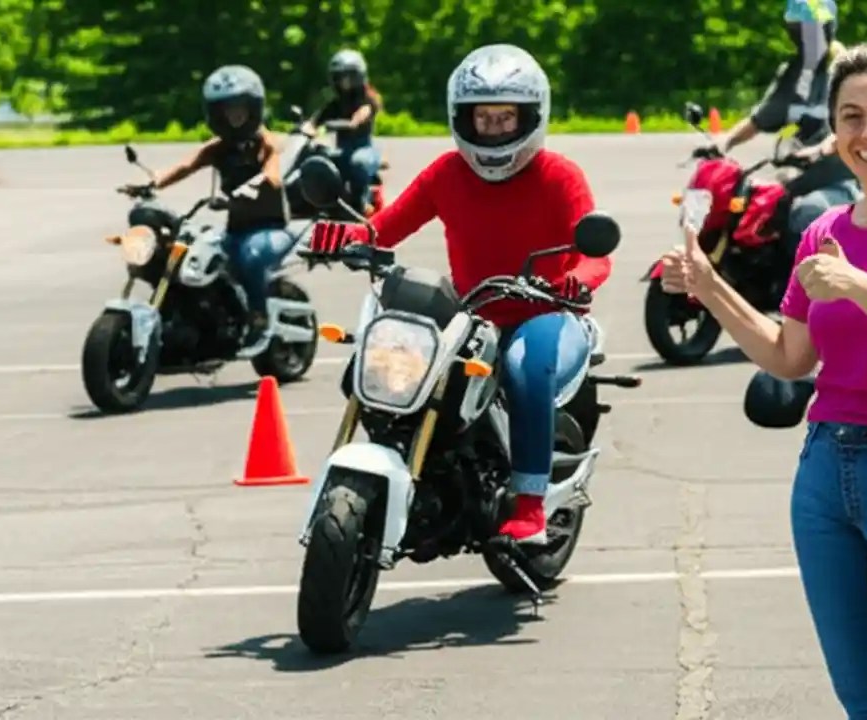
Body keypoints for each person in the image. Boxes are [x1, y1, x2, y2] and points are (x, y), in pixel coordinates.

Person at [662, 43, 867, 718]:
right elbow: (789, 357)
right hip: (825, 478)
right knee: (865, 701)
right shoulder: (824, 231)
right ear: (834, 130)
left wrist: (855, 282)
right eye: (851, 117)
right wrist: (710, 286)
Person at [307, 43, 610, 546]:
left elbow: (596, 255)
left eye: (505, 117)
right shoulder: (448, 173)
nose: (493, 128)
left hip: (547, 312)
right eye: (482, 117)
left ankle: (530, 503)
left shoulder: (560, 176)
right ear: (462, 118)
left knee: (526, 368)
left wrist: (576, 280)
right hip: (472, 315)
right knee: (397, 361)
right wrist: (338, 236)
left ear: (530, 116)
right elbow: (383, 227)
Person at [121, 64, 293, 358]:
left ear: (253, 109)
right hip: (235, 229)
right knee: (193, 257)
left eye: (239, 109)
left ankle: (259, 319)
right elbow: (185, 165)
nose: (233, 116)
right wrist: (151, 182)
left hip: (269, 229)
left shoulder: (267, 143)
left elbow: (273, 175)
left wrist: (253, 186)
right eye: (226, 110)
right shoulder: (219, 147)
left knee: (250, 258)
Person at [718, 0, 858, 248]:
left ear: (828, 29)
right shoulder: (794, 72)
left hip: (840, 181)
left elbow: (855, 125)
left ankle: (809, 274)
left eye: (813, 30)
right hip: (795, 179)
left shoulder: (847, 71)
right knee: (747, 209)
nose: (807, 38)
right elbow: (760, 119)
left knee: (808, 212)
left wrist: (822, 148)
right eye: (800, 30)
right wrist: (724, 142)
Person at [300, 49, 383, 215]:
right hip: (342, 150)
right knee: (319, 157)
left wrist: (350, 123)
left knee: (358, 162)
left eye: (348, 77)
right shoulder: (336, 104)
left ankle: (361, 201)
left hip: (363, 149)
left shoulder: (367, 100)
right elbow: (315, 120)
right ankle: (324, 201)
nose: (344, 82)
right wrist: (306, 128)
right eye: (340, 77)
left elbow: (361, 115)